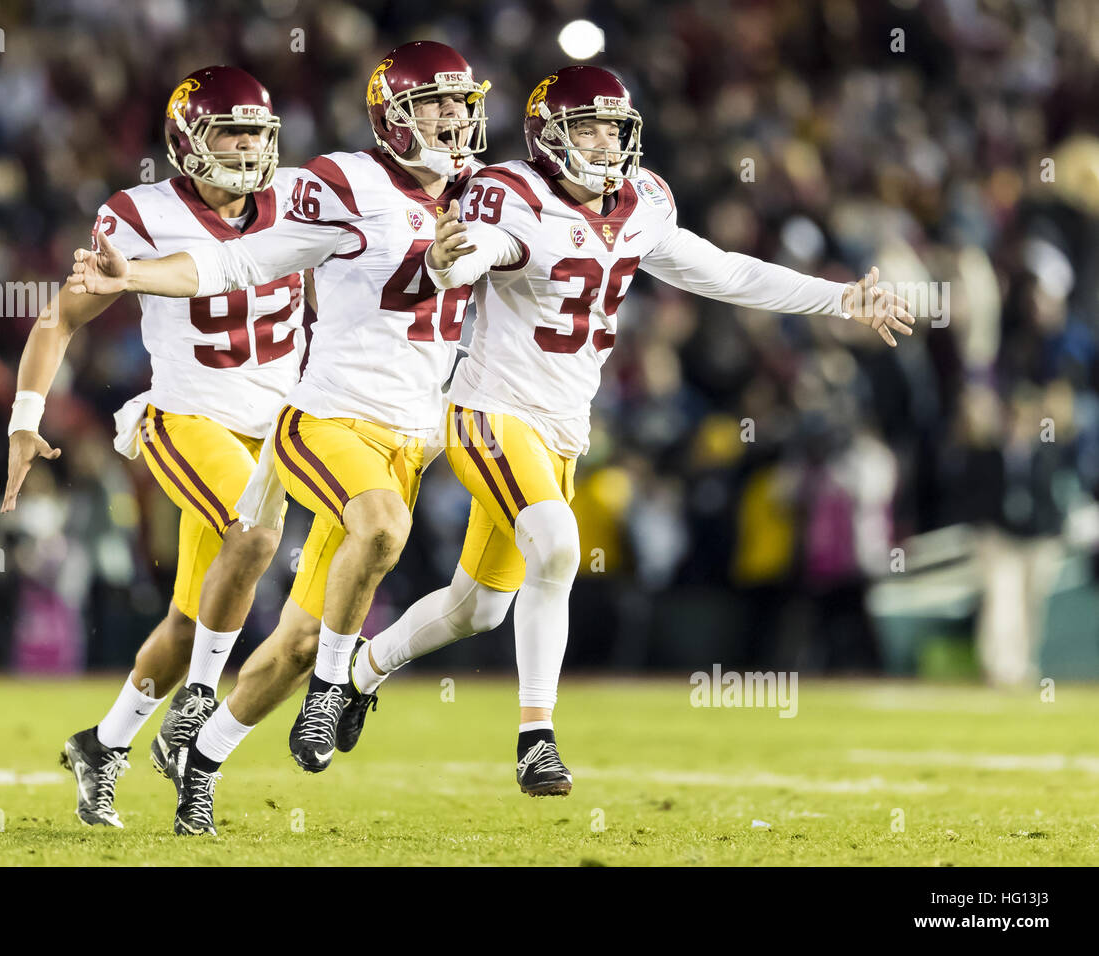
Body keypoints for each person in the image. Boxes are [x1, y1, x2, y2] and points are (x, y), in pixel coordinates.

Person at [347, 66, 917, 796]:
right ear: (549, 136)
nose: (606, 140)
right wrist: (459, 261)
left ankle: (360, 672)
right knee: (556, 543)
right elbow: (480, 252)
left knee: (478, 607)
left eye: (615, 126)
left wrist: (841, 298)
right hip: (488, 412)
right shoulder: (511, 194)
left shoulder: (642, 202)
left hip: (557, 428)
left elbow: (729, 274)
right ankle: (536, 739)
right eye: (587, 125)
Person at [66, 41, 491, 835]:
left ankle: (160, 748)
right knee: (301, 537)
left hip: (392, 430)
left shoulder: (491, 193)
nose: (455, 119)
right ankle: (314, 686)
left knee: (263, 635)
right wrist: (134, 278)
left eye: (463, 104)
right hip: (308, 417)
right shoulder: (339, 181)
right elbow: (238, 258)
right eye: (435, 103)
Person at [4, 66, 307, 827]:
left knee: (186, 623)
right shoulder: (140, 214)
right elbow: (59, 319)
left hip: (275, 431)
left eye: (255, 132)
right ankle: (196, 711)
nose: (245, 148)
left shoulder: (306, 199)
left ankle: (102, 746)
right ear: (185, 142)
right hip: (186, 418)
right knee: (257, 527)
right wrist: (23, 417)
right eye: (228, 131)